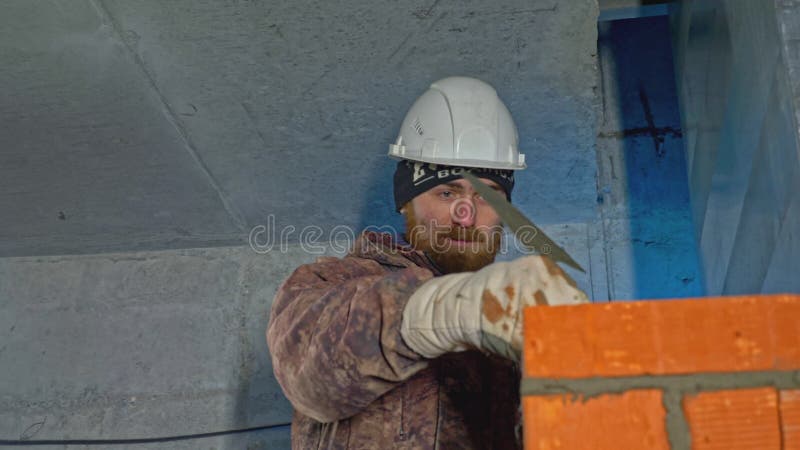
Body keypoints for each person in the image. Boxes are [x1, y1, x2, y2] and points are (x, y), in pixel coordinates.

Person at [267, 76, 588, 449]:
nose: (466, 216)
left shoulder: (516, 319)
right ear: (407, 202)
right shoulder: (330, 281)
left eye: (488, 196)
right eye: (447, 193)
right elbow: (308, 378)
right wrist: (444, 309)